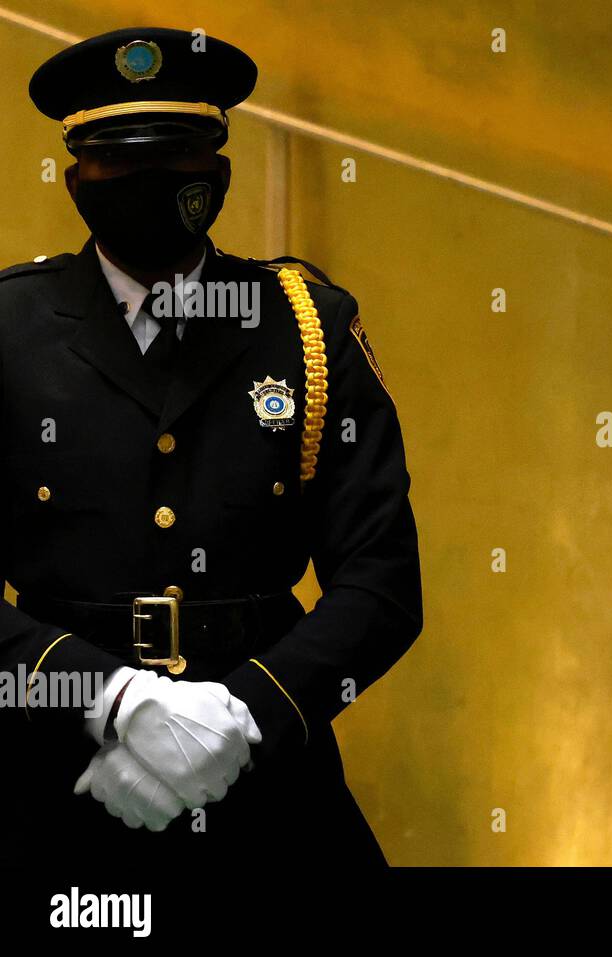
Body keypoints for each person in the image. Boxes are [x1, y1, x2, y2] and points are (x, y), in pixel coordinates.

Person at [0, 26, 423, 866]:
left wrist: (243, 717)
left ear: (220, 171)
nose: (149, 182)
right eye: (118, 162)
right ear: (75, 178)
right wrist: (110, 695)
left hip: (269, 784)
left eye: (179, 155)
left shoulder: (307, 328)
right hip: (53, 769)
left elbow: (382, 580)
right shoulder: (9, 330)